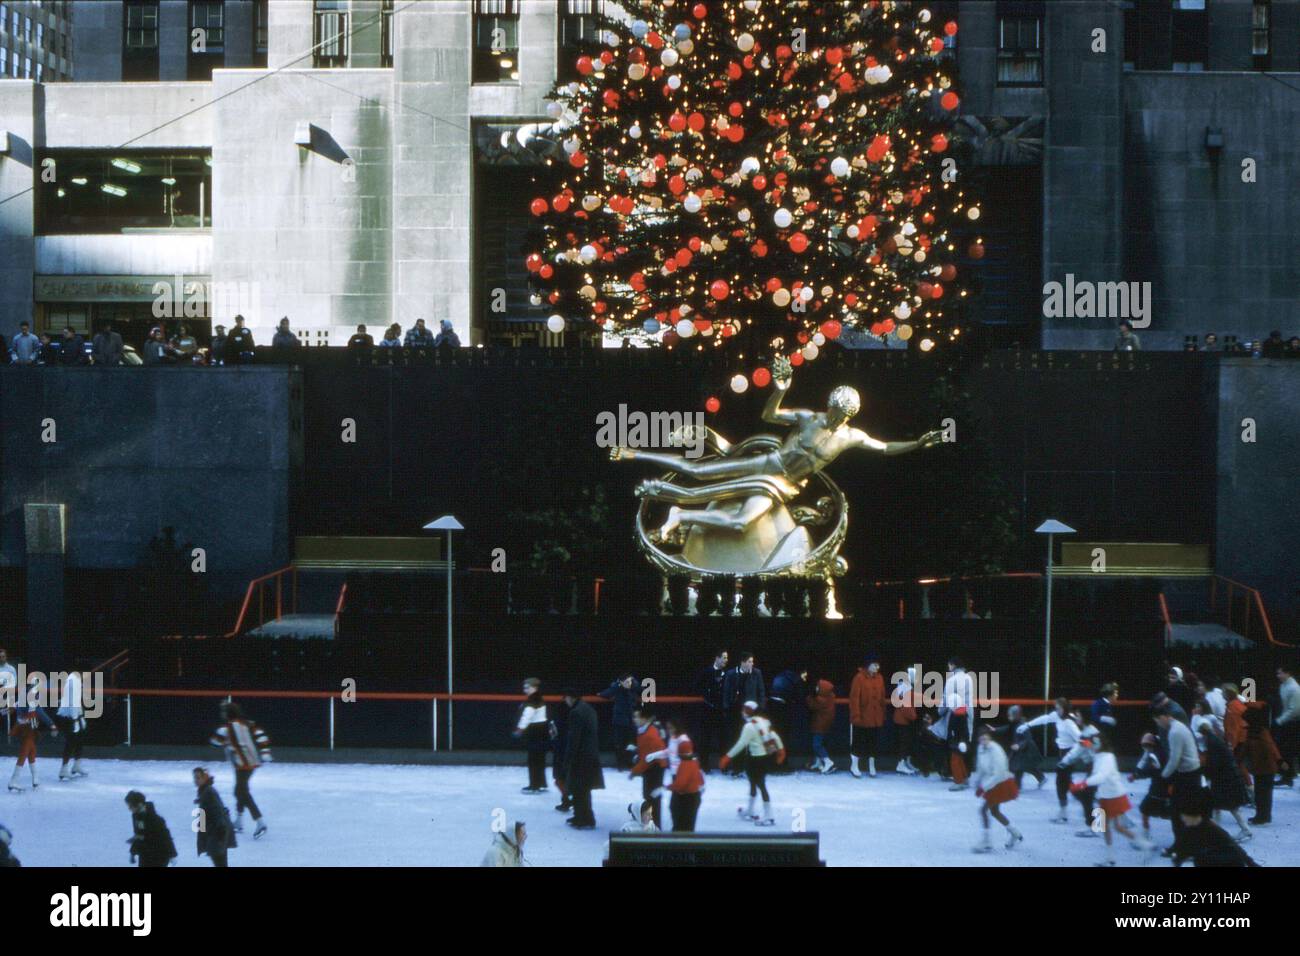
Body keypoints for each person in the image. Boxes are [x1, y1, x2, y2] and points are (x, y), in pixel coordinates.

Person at [1077, 733, 1153, 865]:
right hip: (1105, 795)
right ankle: (1112, 856)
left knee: (1114, 827)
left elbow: (1101, 776)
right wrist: (1084, 743)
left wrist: (1084, 783)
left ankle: (1142, 844)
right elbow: (1087, 746)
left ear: (1101, 744)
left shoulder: (1107, 757)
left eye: (1094, 744)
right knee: (1108, 827)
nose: (1092, 746)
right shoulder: (1098, 755)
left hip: (1114, 795)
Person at [209, 702, 271, 839]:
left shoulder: (226, 728)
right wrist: (265, 752)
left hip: (242, 764)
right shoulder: (249, 723)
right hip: (252, 762)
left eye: (224, 712)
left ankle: (259, 821)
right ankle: (239, 821)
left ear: (228, 713)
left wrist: (224, 742)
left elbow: (215, 742)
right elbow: (262, 736)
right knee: (240, 791)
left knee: (241, 791)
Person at [720, 701, 785, 826]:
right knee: (753, 783)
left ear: (752, 711)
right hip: (762, 758)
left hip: (755, 760)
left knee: (760, 785)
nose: (743, 711)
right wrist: (781, 750)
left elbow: (741, 744)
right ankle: (750, 810)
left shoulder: (749, 726)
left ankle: (769, 815)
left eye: (746, 709)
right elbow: (775, 737)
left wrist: (727, 757)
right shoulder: (764, 722)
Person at [1021, 697, 1082, 823]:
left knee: (1061, 782)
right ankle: (1073, 805)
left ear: (1064, 708)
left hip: (1069, 754)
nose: (1057, 710)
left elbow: (1080, 740)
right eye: (1056, 708)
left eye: (1059, 708)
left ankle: (1065, 812)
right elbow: (1045, 719)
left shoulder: (1069, 722)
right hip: (1063, 753)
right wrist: (1028, 725)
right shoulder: (1056, 716)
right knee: (1066, 783)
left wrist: (1070, 757)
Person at [1157, 703, 1206, 850]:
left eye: (1157, 721)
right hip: (1191, 774)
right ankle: (1186, 845)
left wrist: (1163, 776)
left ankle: (1183, 846)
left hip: (1187, 776)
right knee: (1185, 812)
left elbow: (1174, 759)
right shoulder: (1179, 726)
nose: (1159, 724)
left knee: (1178, 812)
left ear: (1163, 717)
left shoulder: (1175, 731)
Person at [1168, 790, 1257, 867]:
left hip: (1228, 862)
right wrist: (1178, 859)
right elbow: (1185, 848)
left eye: (1186, 816)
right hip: (1208, 861)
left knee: (1203, 857)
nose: (1184, 819)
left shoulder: (1211, 829)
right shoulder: (1189, 830)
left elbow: (1235, 847)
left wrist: (1251, 863)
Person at [971, 725, 1022, 853]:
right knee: (994, 812)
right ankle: (1014, 832)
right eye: (981, 738)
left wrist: (983, 787)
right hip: (991, 783)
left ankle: (987, 841)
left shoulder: (996, 750)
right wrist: (977, 782)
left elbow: (998, 774)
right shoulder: (980, 748)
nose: (983, 741)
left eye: (985, 738)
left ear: (989, 737)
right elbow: (980, 768)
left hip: (1002, 783)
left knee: (983, 810)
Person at [1198, 723, 1251, 842]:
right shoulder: (1215, 740)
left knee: (1225, 806)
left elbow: (1214, 764)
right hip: (1228, 778)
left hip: (1225, 780)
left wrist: (1204, 771)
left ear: (1202, 733)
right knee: (1225, 806)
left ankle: (1217, 833)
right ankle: (1220, 832)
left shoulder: (1212, 743)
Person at [559, 689, 604, 829]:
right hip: (590, 755)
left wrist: (567, 760)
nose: (565, 701)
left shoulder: (575, 712)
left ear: (570, 697)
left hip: (580, 757)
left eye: (566, 698)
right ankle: (585, 816)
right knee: (584, 789)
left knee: (578, 789)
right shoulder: (588, 709)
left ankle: (583, 818)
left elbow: (574, 739)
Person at [7, 677, 56, 791]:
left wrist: (13, 708)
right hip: (27, 728)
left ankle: (35, 780)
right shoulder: (32, 695)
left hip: (25, 726)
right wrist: (52, 725)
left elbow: (18, 705)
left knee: (31, 751)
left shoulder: (26, 692)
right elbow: (40, 712)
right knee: (25, 752)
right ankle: (13, 781)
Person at [722, 652, 766, 773]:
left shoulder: (757, 673)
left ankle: (752, 768)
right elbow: (726, 692)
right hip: (735, 712)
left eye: (752, 662)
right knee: (737, 739)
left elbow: (761, 691)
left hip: (751, 712)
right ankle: (737, 768)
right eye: (749, 661)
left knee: (753, 740)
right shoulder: (731, 674)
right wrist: (726, 708)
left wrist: (760, 707)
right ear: (742, 662)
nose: (752, 664)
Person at [1241, 703, 1280, 825]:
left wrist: (1279, 760)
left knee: (1263, 793)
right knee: (1263, 793)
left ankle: (1263, 816)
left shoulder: (1258, 732)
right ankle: (1262, 815)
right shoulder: (1259, 731)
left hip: (1264, 767)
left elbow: (1271, 748)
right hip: (1263, 767)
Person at [629, 705, 667, 829]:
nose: (634, 719)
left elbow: (647, 759)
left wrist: (634, 771)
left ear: (645, 718)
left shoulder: (649, 734)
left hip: (655, 768)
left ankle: (654, 827)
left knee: (651, 799)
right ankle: (652, 825)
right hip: (654, 767)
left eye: (637, 717)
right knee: (650, 798)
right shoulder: (646, 730)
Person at [849, 654, 886, 778]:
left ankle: (872, 766)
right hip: (862, 717)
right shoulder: (859, 678)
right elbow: (854, 698)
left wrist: (882, 714)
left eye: (878, 665)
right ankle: (854, 766)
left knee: (873, 742)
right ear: (868, 665)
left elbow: (881, 697)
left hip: (875, 717)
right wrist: (856, 716)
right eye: (875, 664)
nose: (877, 667)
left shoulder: (880, 678)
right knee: (858, 742)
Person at [941, 656, 974, 790]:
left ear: (953, 665)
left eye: (949, 665)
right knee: (963, 746)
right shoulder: (969, 678)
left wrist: (940, 711)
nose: (949, 668)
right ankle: (964, 777)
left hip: (955, 715)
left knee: (954, 748)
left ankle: (959, 779)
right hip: (967, 715)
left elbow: (946, 699)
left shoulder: (952, 680)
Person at [193, 767, 236, 867]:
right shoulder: (206, 791)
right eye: (195, 777)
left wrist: (220, 833)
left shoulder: (208, 793)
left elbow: (217, 811)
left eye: (198, 778)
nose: (195, 780)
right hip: (216, 834)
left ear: (205, 778)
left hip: (217, 835)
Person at [694, 649, 728, 772]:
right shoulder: (706, 672)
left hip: (721, 711)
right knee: (705, 739)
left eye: (726, 658)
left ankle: (723, 766)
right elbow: (697, 687)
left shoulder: (727, 674)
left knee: (723, 740)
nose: (726, 660)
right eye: (724, 657)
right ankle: (704, 765)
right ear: (717, 658)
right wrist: (706, 696)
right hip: (707, 710)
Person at [514, 678, 550, 794]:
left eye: (527, 687)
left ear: (534, 688)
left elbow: (527, 716)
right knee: (540, 759)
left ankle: (534, 785)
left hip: (535, 732)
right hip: (542, 731)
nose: (525, 690)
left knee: (534, 759)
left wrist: (520, 729)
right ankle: (541, 784)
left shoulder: (532, 700)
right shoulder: (539, 698)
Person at [125, 790, 177, 867]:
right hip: (145, 854)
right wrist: (133, 852)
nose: (129, 809)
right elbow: (139, 835)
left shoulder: (156, 819)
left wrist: (172, 855)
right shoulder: (136, 816)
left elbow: (166, 837)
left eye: (131, 806)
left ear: (139, 805)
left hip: (160, 855)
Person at [998, 704, 1045, 789]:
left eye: (1011, 715)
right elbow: (1007, 728)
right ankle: (1041, 778)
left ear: (1016, 715)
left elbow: (1027, 739)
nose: (1009, 717)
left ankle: (1017, 785)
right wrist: (996, 730)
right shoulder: (1014, 724)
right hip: (1020, 751)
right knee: (1026, 767)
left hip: (1025, 750)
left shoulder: (1023, 725)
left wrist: (1019, 745)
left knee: (1019, 768)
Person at [768, 665, 807, 767]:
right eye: (804, 675)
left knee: (773, 736)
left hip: (771, 707)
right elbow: (800, 697)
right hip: (783, 709)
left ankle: (772, 762)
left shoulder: (783, 676)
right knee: (783, 736)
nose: (805, 677)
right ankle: (782, 763)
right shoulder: (796, 679)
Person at [599, 673, 639, 770]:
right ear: (621, 682)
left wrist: (633, 684)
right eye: (626, 681)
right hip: (619, 721)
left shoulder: (634, 687)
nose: (629, 683)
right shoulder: (616, 688)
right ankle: (620, 764)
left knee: (631, 744)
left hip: (631, 721)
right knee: (619, 744)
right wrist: (617, 686)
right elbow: (605, 694)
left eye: (630, 681)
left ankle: (630, 763)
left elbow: (643, 690)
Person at [55, 668, 88, 781]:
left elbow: (78, 702)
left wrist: (81, 716)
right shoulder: (73, 683)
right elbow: (72, 702)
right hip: (67, 717)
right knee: (71, 742)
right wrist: (75, 720)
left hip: (74, 716)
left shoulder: (77, 682)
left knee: (79, 739)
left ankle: (77, 765)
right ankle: (64, 769)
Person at [666, 736, 705, 832]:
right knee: (689, 825)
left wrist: (668, 787)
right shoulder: (695, 762)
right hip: (695, 797)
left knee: (681, 824)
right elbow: (701, 781)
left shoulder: (684, 764)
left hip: (686, 799)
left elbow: (680, 784)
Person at [1274, 664, 1299, 786]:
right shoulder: (1283, 686)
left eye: (1280, 673)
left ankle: (1288, 776)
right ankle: (1288, 773)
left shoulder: (1294, 688)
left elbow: (1294, 710)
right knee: (1283, 749)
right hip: (1286, 721)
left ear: (1287, 673)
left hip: (1292, 723)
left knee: (1287, 750)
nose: (1278, 675)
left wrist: (1280, 720)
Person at [806, 674, 836, 773]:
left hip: (820, 723)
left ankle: (828, 762)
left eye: (818, 687)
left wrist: (810, 696)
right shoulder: (829, 696)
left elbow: (811, 705)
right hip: (823, 722)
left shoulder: (820, 699)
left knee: (817, 745)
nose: (816, 688)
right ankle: (818, 762)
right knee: (819, 743)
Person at [892, 666, 919, 775]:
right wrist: (913, 717)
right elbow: (906, 705)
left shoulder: (904, 686)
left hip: (902, 719)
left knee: (906, 743)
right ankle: (901, 764)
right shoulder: (906, 687)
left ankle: (905, 762)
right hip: (904, 719)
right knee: (904, 743)